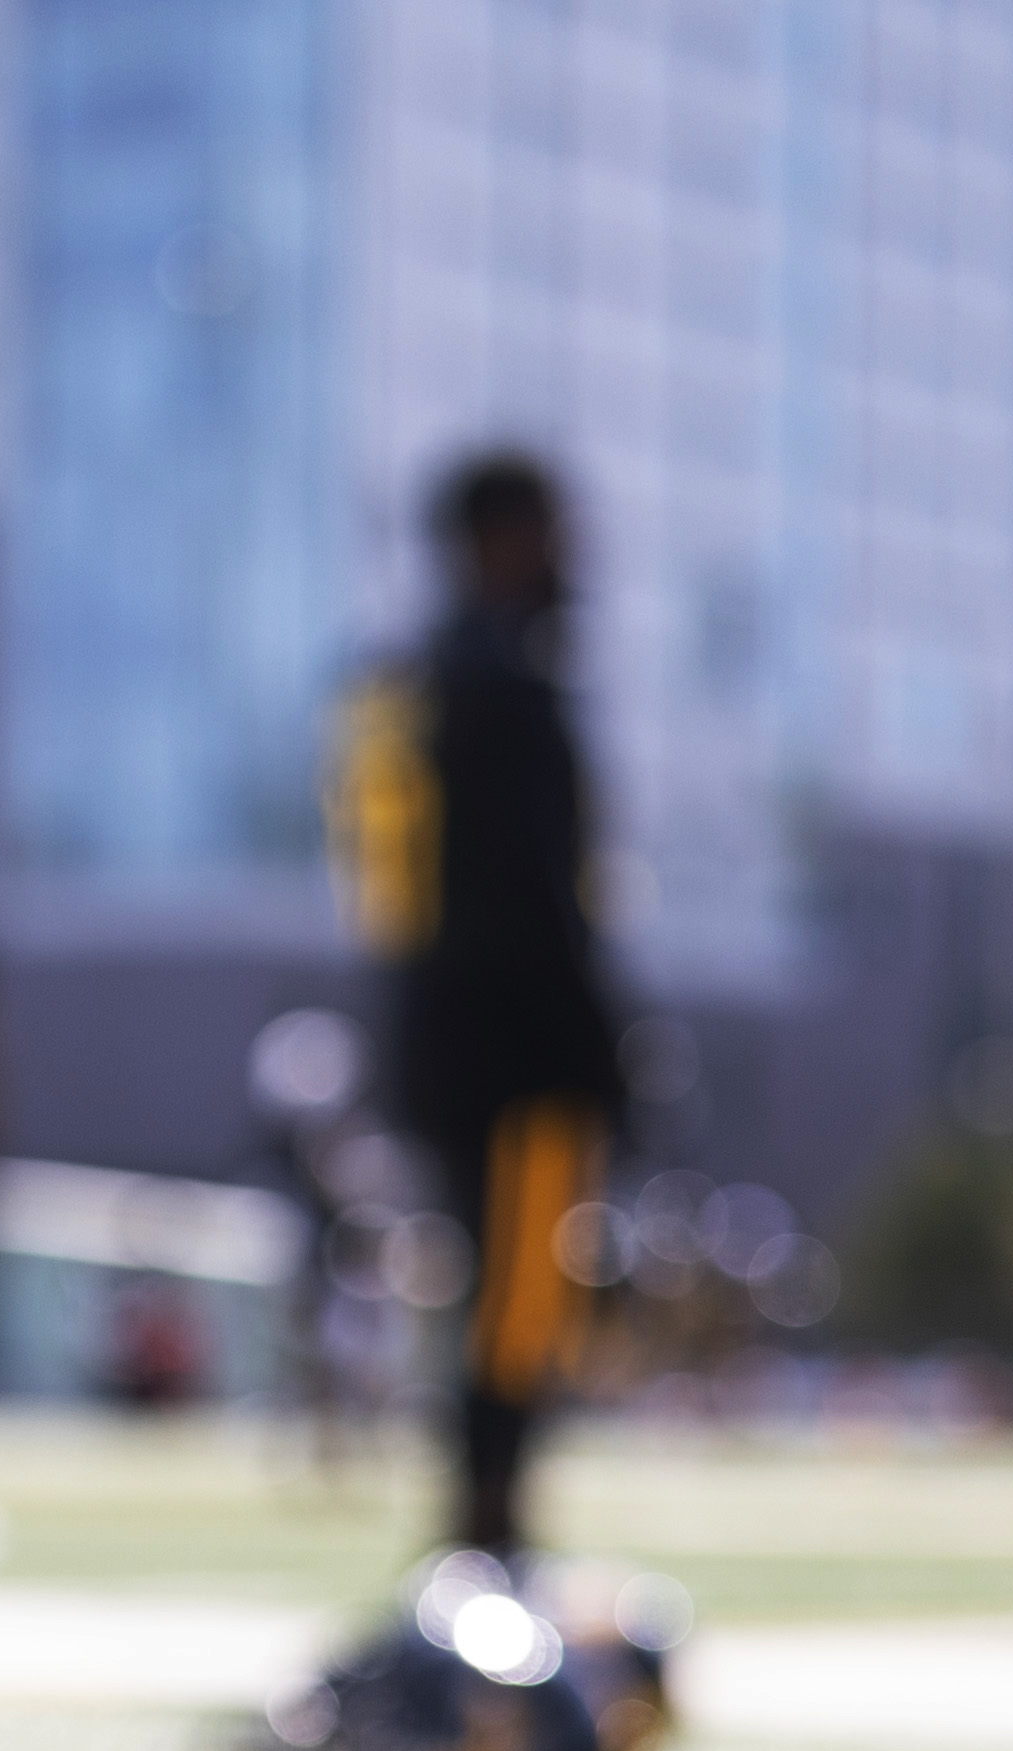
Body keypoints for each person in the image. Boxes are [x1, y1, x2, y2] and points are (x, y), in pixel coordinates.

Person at [333, 450, 629, 1566]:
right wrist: (598, 1049)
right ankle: (488, 1534)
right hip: (515, 1049)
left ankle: (485, 1522)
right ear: (500, 539)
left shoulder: (406, 685)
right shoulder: (498, 686)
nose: (571, 557)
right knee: (518, 1305)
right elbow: (536, 900)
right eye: (551, 529)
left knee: (495, 1298)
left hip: (441, 1036)